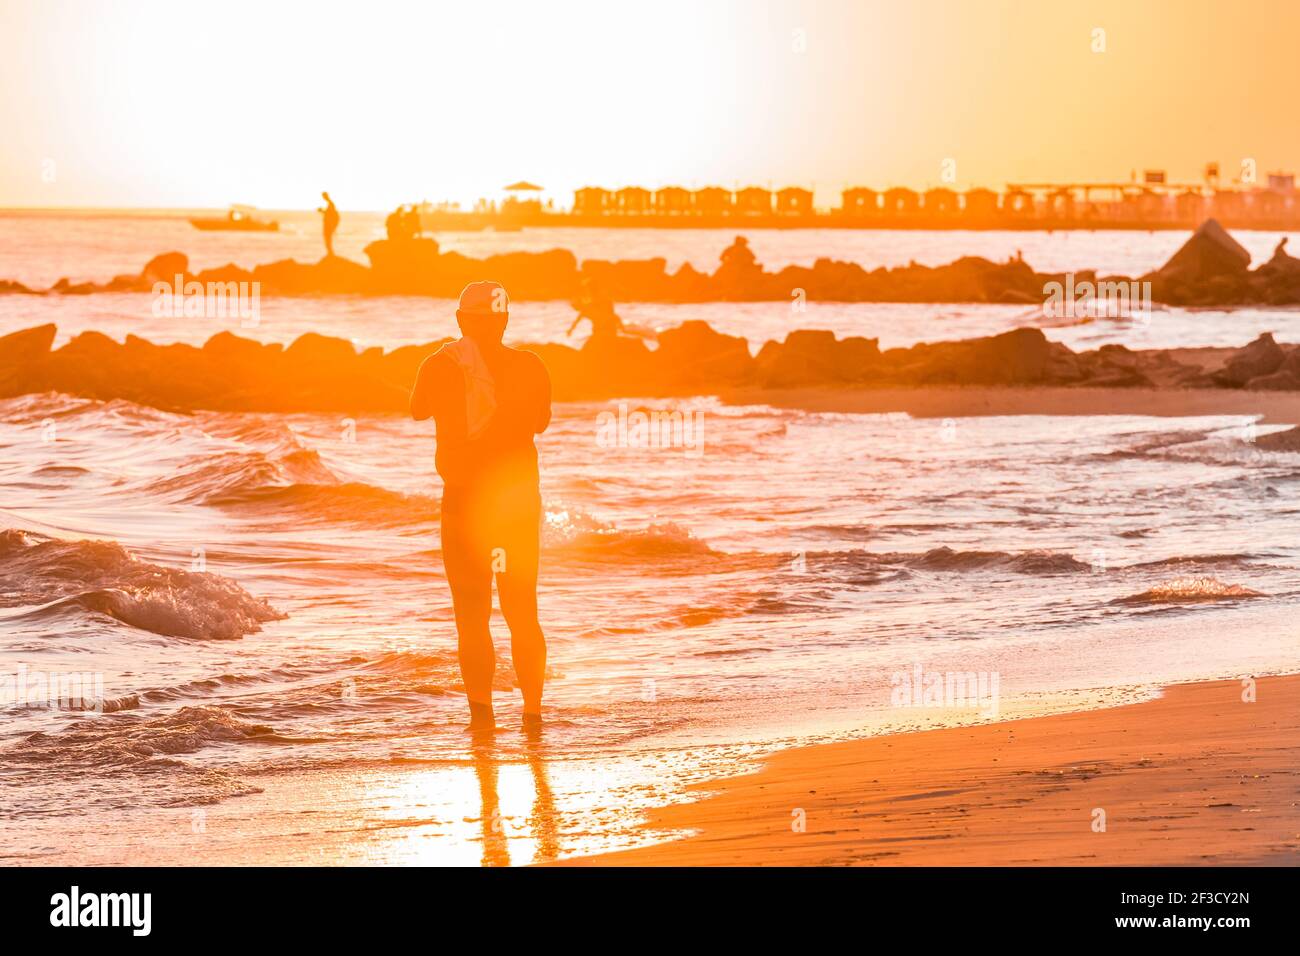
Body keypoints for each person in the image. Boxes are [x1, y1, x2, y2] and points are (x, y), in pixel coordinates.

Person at [409, 281, 552, 730]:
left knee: (471, 618)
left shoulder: (439, 365)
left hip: (464, 505)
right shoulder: (530, 365)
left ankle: (482, 719)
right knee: (522, 613)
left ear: (459, 321)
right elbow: (542, 422)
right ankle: (532, 716)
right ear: (505, 319)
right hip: (516, 506)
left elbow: (416, 411)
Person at [318, 191, 339, 256]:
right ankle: (330, 253)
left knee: (328, 239)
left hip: (329, 225)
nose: (323, 197)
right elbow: (329, 214)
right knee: (327, 239)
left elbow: (331, 215)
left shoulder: (331, 204)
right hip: (328, 224)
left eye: (324, 196)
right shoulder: (330, 204)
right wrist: (322, 211)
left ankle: (330, 253)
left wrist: (333, 226)